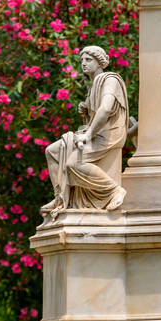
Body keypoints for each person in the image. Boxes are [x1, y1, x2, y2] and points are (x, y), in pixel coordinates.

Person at [42, 46, 130, 214]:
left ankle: (114, 190)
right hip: (95, 133)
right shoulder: (94, 86)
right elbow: (96, 115)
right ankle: (60, 197)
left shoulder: (109, 80)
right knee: (52, 151)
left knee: (74, 163)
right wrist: (86, 110)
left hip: (108, 134)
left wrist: (88, 134)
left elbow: (105, 109)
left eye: (88, 60)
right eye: (82, 60)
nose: (83, 64)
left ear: (100, 62)